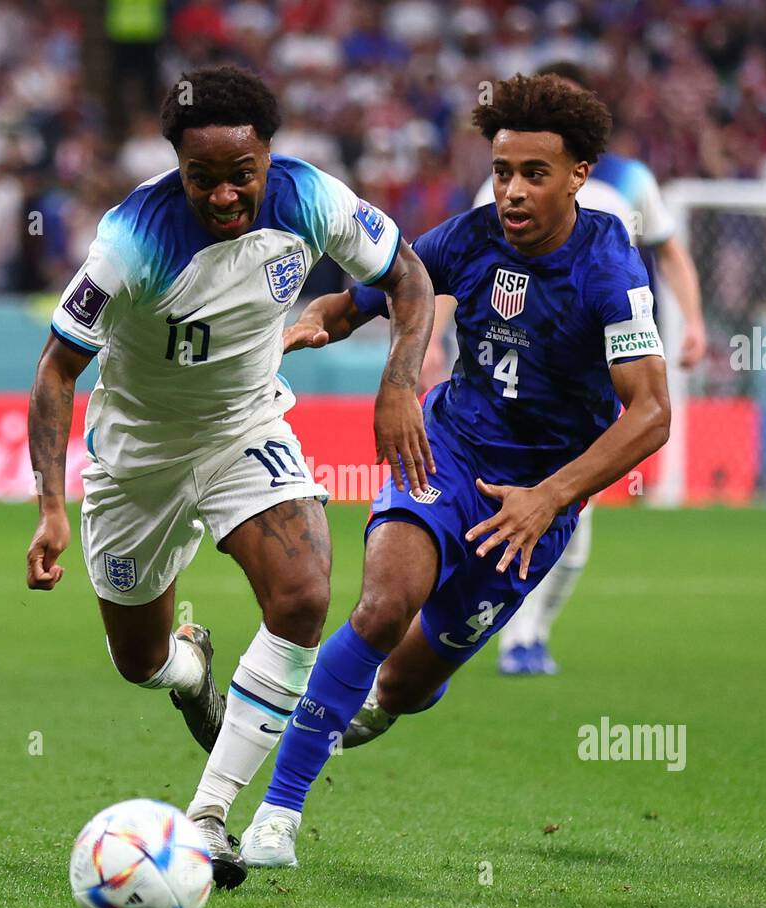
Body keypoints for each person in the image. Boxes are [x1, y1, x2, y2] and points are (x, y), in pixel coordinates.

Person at [238, 72, 671, 867]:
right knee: (379, 605)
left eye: (534, 174)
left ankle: (353, 708)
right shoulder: (468, 238)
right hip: (446, 452)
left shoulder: (610, 263)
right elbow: (376, 293)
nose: (511, 190)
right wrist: (309, 324)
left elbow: (650, 413)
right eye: (503, 170)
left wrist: (551, 496)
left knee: (402, 688)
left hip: (533, 499)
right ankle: (276, 815)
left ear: (580, 175)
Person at [25, 66, 434, 889]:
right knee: (137, 662)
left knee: (304, 595)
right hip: (137, 459)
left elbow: (409, 278)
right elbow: (56, 371)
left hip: (245, 427)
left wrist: (399, 381)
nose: (221, 194)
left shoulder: (312, 198)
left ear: (267, 158)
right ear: (175, 165)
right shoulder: (130, 241)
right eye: (200, 177)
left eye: (239, 175)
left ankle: (209, 818)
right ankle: (188, 667)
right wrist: (50, 507)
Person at [471, 62, 706, 677]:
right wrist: (439, 340)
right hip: (514, 353)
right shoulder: (503, 184)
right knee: (492, 491)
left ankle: (528, 634)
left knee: (574, 504)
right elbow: (460, 265)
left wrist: (695, 322)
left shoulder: (630, 180)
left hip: (600, 357)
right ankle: (477, 622)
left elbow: (670, 250)